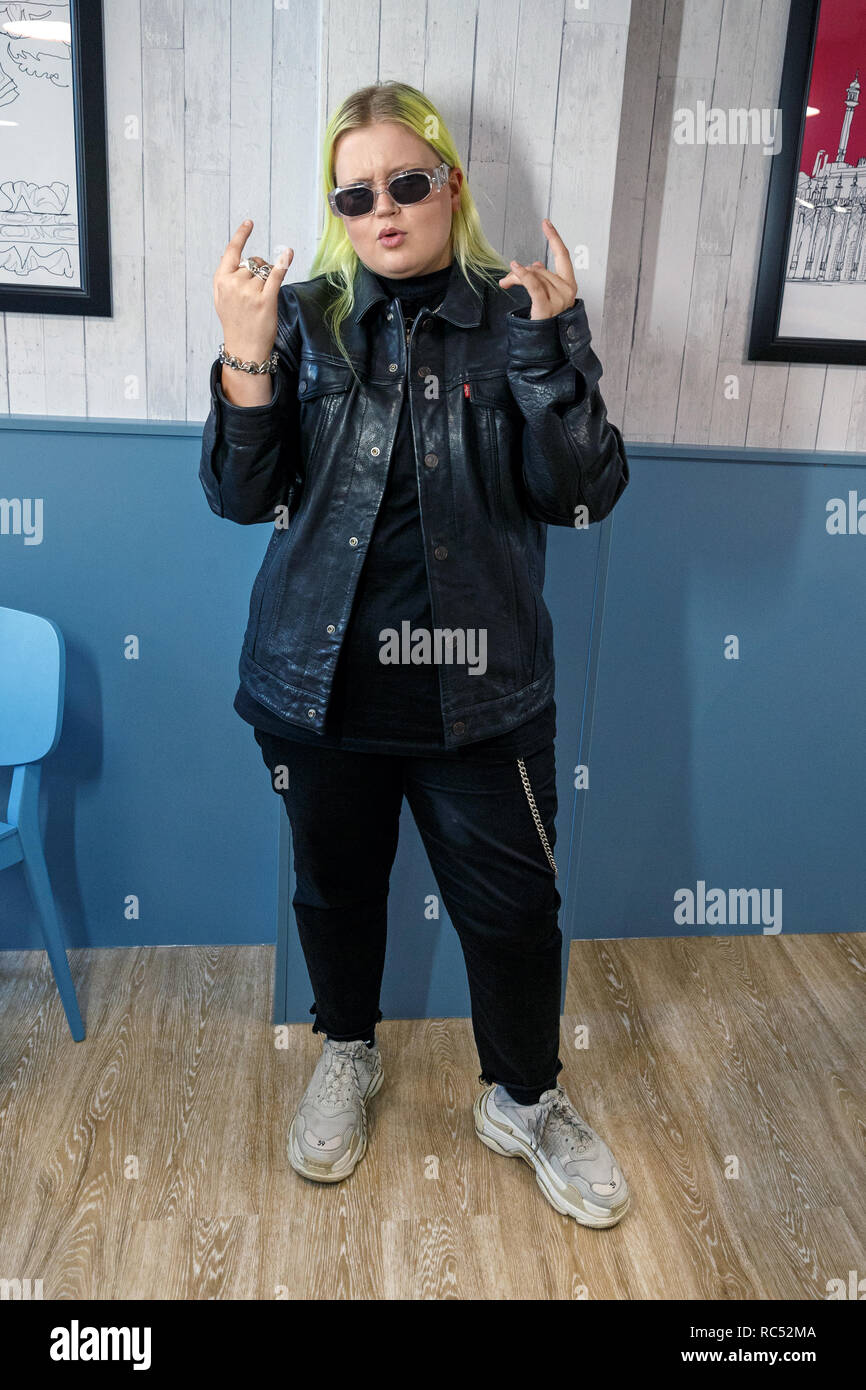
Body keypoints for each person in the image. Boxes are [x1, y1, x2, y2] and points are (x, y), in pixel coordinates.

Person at [199, 80, 631, 1228]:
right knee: (336, 892)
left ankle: (525, 1099)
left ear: (450, 185)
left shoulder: (517, 312)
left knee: (512, 912)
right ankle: (348, 1052)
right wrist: (245, 354)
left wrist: (550, 356)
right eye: (354, 193)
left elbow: (583, 494)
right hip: (315, 683)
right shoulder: (300, 318)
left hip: (481, 691)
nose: (381, 209)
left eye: (405, 181)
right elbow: (241, 498)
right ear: (336, 210)